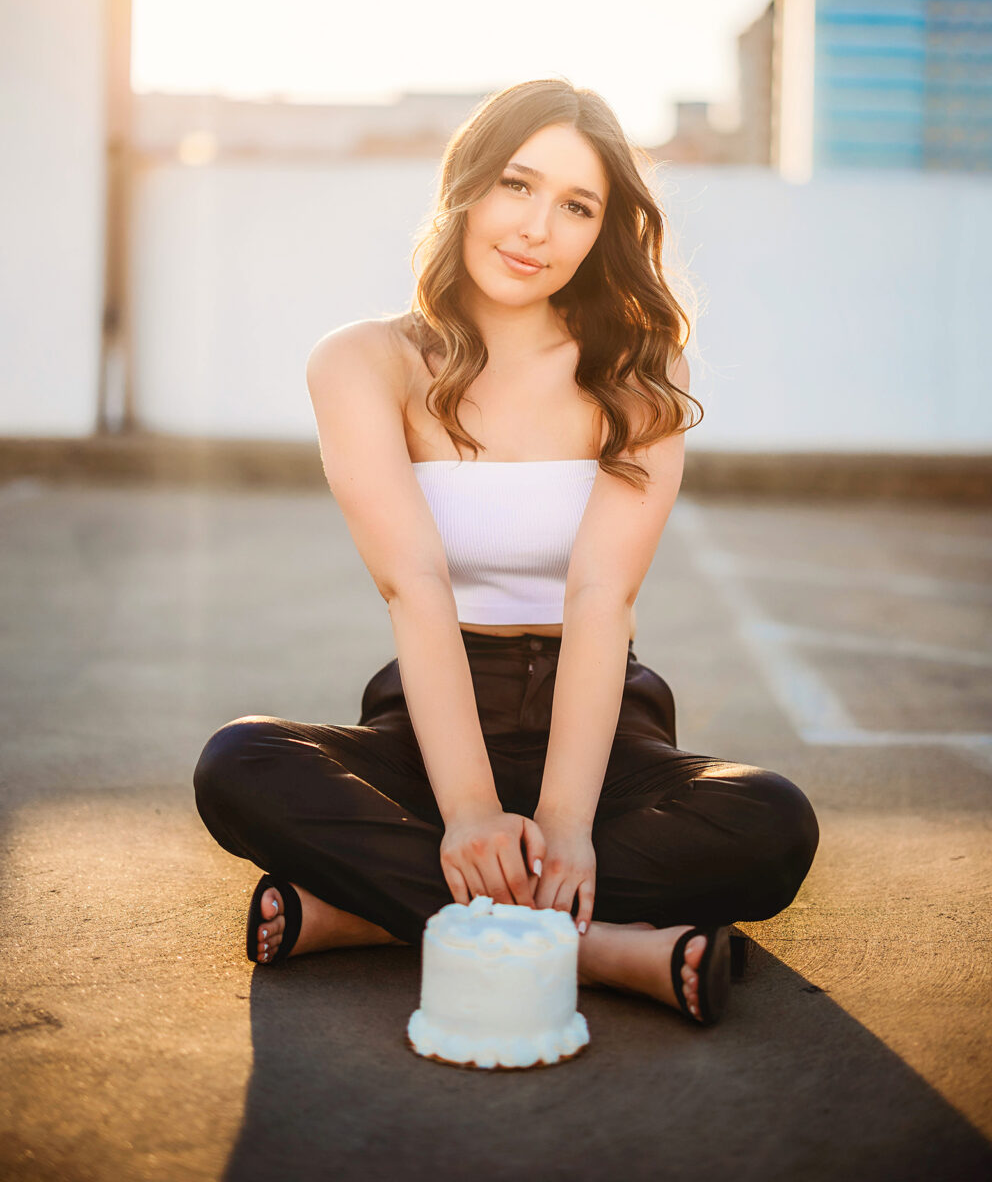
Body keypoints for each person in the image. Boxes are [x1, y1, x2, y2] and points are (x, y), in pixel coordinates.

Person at [193, 75, 819, 1028]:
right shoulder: (365, 362)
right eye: (518, 186)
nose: (537, 228)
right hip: (436, 716)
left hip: (600, 721)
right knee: (239, 763)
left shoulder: (642, 371)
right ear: (468, 186)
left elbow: (602, 596)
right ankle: (600, 946)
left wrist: (566, 822)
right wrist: (472, 815)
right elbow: (415, 587)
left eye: (577, 206)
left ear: (603, 231)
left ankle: (371, 915)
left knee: (771, 823)